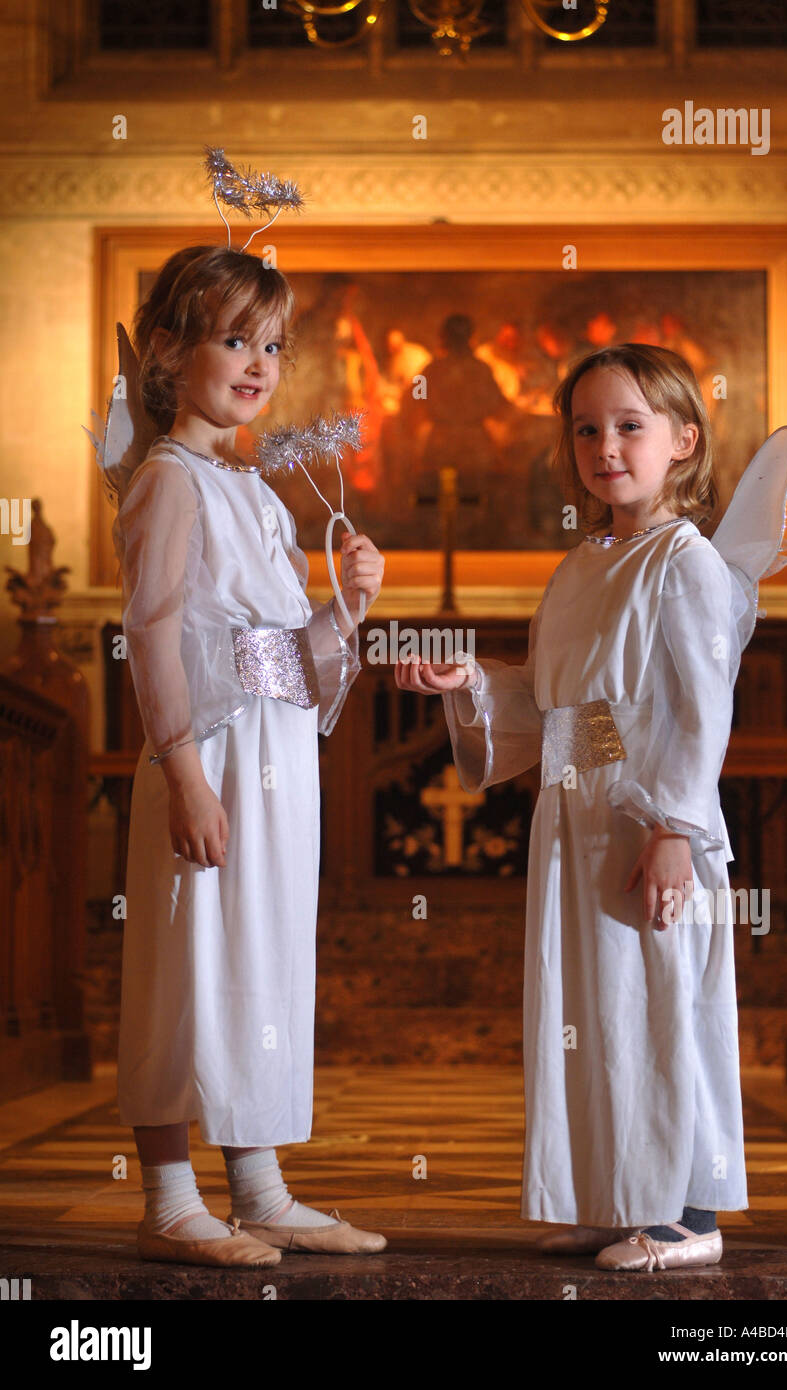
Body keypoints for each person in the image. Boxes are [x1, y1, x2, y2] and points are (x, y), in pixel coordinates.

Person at [395, 343, 787, 1273]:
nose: (604, 445)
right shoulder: (580, 564)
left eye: (628, 425)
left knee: (660, 1007)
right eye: (585, 428)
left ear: (681, 441)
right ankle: (617, 1193)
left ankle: (687, 1216)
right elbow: (555, 708)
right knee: (594, 1004)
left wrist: (671, 834)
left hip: (647, 819)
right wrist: (474, 683)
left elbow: (698, 712)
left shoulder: (683, 561)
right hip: (572, 818)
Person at [112, 244, 386, 1267]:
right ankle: (170, 1198)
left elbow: (292, 663)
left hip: (275, 771)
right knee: (189, 958)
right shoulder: (168, 481)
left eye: (272, 343)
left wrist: (347, 604)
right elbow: (153, 631)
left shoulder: (261, 494)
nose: (260, 362)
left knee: (259, 961)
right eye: (235, 339)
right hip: (211, 761)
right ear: (170, 351)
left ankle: (260, 1187)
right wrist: (180, 766)